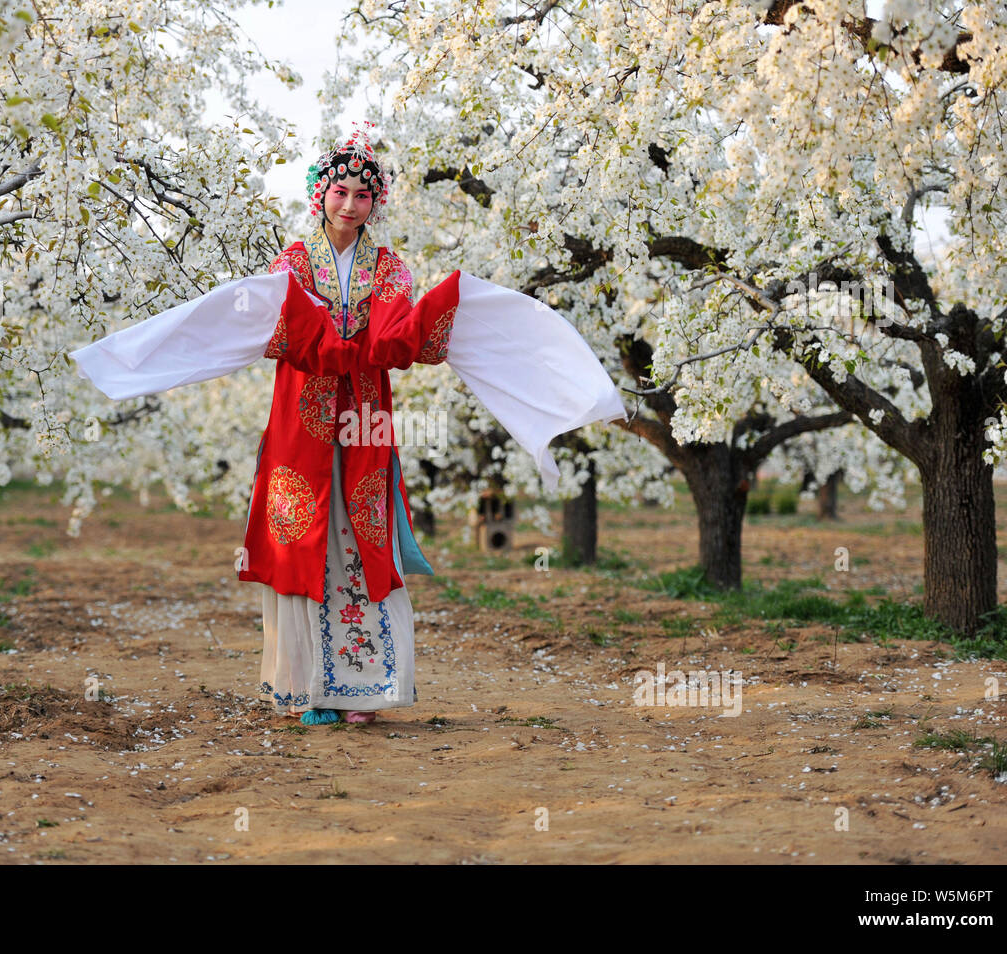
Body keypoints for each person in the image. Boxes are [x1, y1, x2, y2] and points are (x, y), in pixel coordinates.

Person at [70, 120, 627, 727]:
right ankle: (307, 690)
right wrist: (330, 340)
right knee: (298, 539)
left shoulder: (388, 268)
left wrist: (403, 326)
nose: (351, 203)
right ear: (320, 195)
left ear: (374, 203)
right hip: (300, 419)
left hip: (363, 414)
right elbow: (282, 321)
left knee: (356, 537)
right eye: (341, 192)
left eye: (363, 195)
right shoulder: (292, 261)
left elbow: (393, 331)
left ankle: (359, 690)